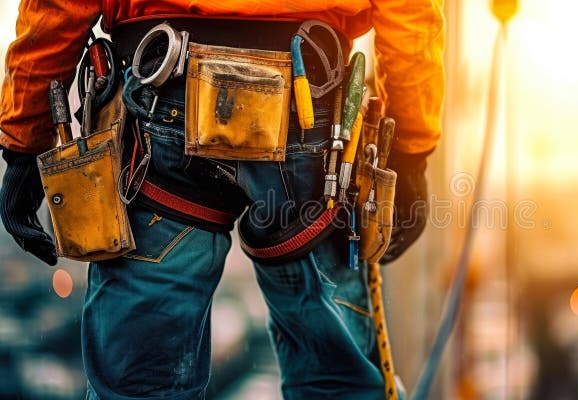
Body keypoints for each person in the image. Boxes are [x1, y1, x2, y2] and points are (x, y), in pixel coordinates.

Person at [0, 1, 443, 399]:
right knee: (338, 381)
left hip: (160, 108)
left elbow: (58, 6)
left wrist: (25, 136)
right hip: (311, 119)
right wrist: (410, 147)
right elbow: (409, 10)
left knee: (141, 382)